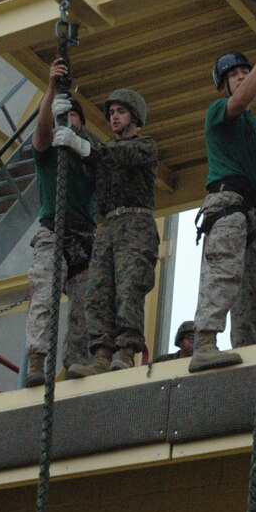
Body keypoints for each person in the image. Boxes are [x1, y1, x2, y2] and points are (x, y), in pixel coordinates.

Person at [190, 34, 256, 373]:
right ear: (223, 86)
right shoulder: (220, 111)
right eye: (234, 74)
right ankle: (205, 342)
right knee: (223, 273)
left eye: (245, 71)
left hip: (248, 212)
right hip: (227, 203)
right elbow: (240, 102)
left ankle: (247, 346)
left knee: (253, 287)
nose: (242, 76)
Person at [57, 89, 160, 378]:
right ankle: (101, 354)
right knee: (97, 292)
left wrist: (81, 140)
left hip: (136, 222)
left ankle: (126, 351)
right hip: (109, 227)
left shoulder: (145, 146)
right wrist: (67, 123)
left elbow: (114, 153)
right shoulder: (103, 151)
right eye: (111, 112)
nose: (114, 116)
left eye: (121, 111)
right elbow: (94, 155)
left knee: (129, 288)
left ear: (135, 117)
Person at [23, 59, 97, 387]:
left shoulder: (88, 151)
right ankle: (38, 361)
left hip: (84, 236)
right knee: (45, 295)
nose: (66, 124)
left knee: (84, 304)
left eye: (72, 118)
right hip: (54, 230)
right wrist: (51, 89)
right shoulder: (49, 152)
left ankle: (77, 360)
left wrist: (79, 144)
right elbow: (40, 135)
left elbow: (101, 157)